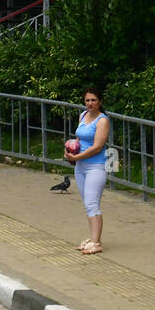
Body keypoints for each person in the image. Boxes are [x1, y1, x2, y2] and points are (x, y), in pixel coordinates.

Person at [67, 87, 111, 254]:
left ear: (100, 101)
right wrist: (71, 149)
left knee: (93, 204)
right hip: (80, 167)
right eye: (87, 100)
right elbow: (79, 138)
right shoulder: (83, 115)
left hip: (95, 167)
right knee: (88, 204)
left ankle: (96, 243)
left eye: (93, 100)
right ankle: (92, 238)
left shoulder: (102, 121)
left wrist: (77, 157)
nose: (90, 103)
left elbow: (97, 147)